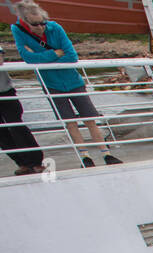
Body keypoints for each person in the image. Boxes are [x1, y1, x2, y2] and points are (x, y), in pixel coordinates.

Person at [10, 2, 120, 167]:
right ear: (26, 22)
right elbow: (28, 58)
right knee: (70, 122)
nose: (40, 27)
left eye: (42, 23)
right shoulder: (18, 30)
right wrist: (54, 53)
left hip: (73, 81)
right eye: (35, 24)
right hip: (51, 84)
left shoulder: (55, 28)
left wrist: (42, 56)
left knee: (90, 118)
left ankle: (107, 154)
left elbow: (71, 56)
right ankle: (85, 157)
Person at [0, 42, 45, 174]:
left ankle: (35, 161)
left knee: (16, 127)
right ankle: (22, 163)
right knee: (1, 133)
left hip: (5, 91)